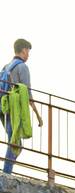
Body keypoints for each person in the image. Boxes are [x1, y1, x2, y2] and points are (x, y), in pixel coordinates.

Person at [1, 39, 42, 176]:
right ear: (24, 50)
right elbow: (27, 93)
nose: (28, 55)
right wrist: (38, 115)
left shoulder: (6, 67)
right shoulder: (22, 67)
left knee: (15, 142)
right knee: (15, 143)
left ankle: (6, 171)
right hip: (15, 109)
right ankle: (6, 173)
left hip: (5, 108)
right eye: (28, 51)